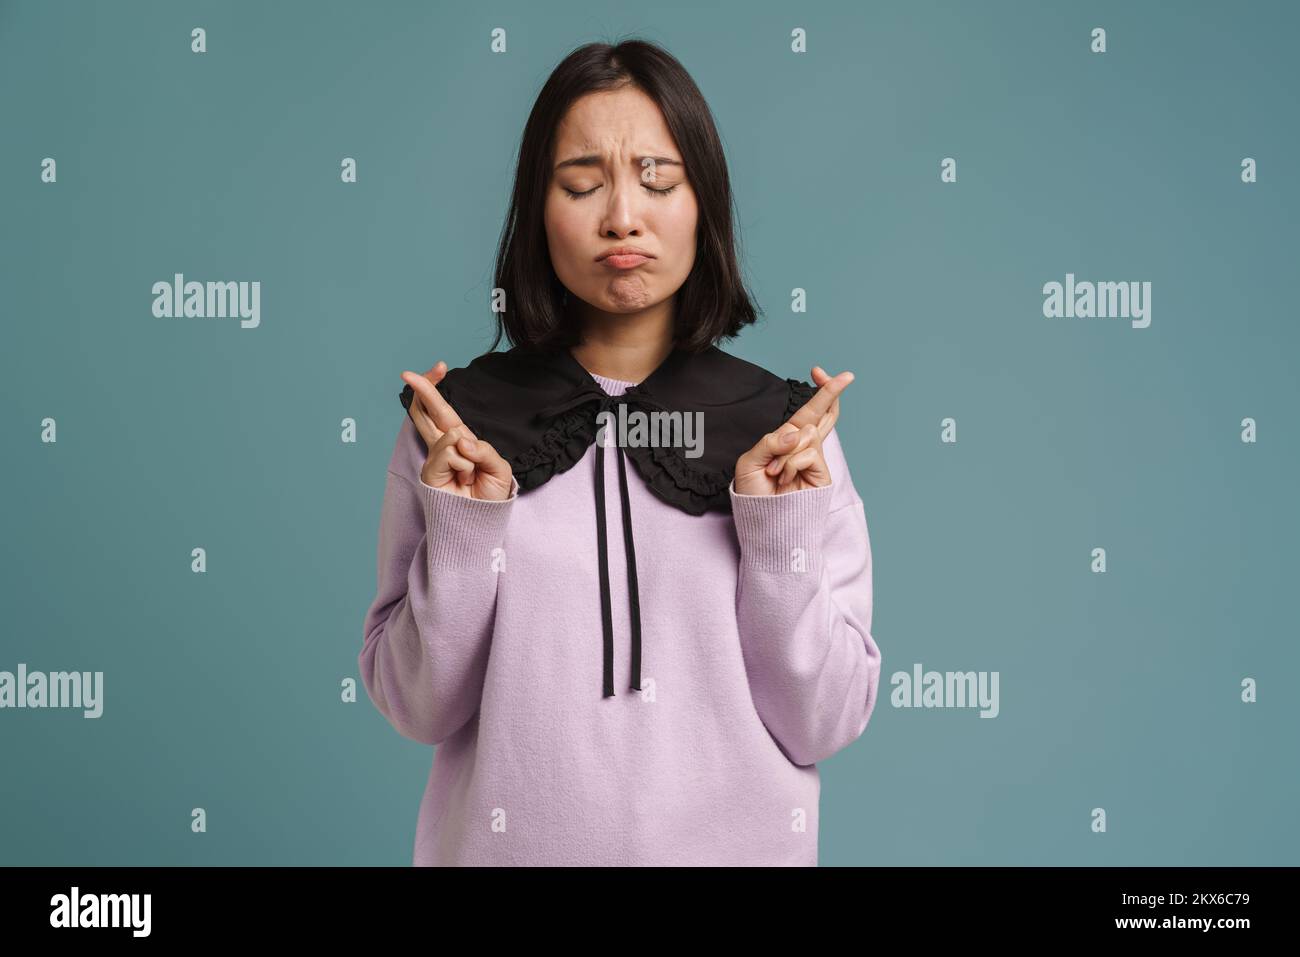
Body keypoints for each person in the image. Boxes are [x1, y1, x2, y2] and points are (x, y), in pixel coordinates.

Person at [359, 38, 882, 866]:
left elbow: (824, 719)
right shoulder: (456, 426)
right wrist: (464, 529)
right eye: (580, 184)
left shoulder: (786, 434)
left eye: (658, 180)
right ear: (539, 207)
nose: (621, 216)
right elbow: (416, 706)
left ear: (702, 201)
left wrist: (779, 531)